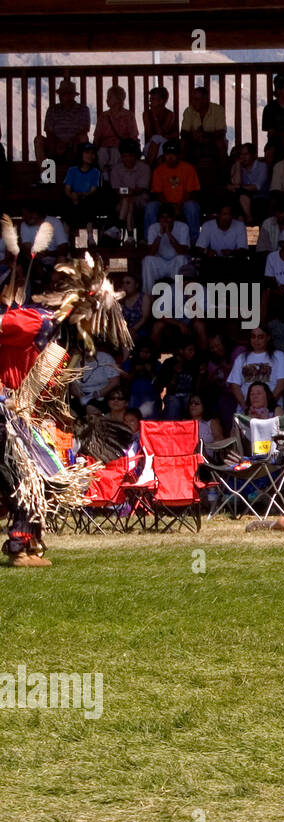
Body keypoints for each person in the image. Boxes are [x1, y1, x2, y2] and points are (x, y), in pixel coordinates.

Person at [1, 260, 130, 565]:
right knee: (27, 478)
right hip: (4, 413)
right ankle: (20, 543)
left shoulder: (61, 337)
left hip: (19, 417)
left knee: (45, 477)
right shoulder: (37, 321)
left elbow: (43, 391)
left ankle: (29, 542)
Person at [227, 325, 284, 413]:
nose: (256, 340)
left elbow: (282, 384)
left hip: (272, 411)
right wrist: (245, 406)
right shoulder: (241, 358)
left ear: (268, 338)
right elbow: (235, 386)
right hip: (246, 411)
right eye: (253, 336)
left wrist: (268, 405)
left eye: (260, 337)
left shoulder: (279, 356)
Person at [145, 139, 201, 240]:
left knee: (192, 206)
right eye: (167, 154)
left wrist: (179, 206)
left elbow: (190, 192)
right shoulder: (158, 171)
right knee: (151, 207)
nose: (170, 157)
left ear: (179, 155)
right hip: (164, 204)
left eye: (173, 155)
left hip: (183, 203)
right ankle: (150, 240)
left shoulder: (188, 168)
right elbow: (158, 193)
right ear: (164, 155)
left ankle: (194, 241)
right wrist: (169, 207)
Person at [35, 78, 90, 168]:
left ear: (73, 95)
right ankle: (47, 177)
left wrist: (69, 144)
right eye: (62, 94)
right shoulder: (52, 109)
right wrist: (58, 144)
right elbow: (49, 131)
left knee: (83, 139)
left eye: (67, 93)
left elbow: (84, 131)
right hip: (55, 145)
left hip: (74, 146)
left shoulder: (82, 110)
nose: (63, 96)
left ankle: (80, 176)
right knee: (39, 140)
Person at [107, 138, 150, 243]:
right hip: (122, 203)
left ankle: (118, 227)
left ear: (135, 156)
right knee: (128, 201)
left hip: (141, 201)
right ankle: (130, 237)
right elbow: (117, 190)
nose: (128, 159)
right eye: (125, 156)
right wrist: (129, 191)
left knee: (128, 200)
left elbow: (139, 190)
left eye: (130, 156)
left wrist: (126, 191)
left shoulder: (144, 168)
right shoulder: (116, 169)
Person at [61, 143, 107, 240]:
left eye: (92, 153)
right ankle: (65, 239)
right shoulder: (72, 171)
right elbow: (67, 189)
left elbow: (93, 190)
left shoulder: (96, 172)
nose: (90, 156)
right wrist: (72, 196)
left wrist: (81, 195)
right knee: (65, 204)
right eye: (87, 153)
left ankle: (90, 237)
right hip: (73, 200)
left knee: (90, 202)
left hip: (88, 199)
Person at [92, 84, 138, 173]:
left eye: (110, 97)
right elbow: (97, 137)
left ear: (118, 99)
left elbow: (133, 136)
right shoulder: (103, 116)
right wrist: (93, 151)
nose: (107, 100)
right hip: (104, 148)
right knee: (102, 154)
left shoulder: (128, 116)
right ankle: (106, 180)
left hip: (121, 149)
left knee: (116, 154)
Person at [179, 83, 227, 165]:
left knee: (220, 143)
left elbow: (221, 132)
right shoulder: (188, 111)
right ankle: (184, 170)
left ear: (205, 100)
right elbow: (183, 132)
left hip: (213, 141)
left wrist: (204, 135)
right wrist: (194, 136)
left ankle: (223, 170)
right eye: (193, 99)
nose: (193, 102)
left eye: (196, 99)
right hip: (193, 141)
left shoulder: (218, 110)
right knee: (182, 143)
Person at [229, 141, 271, 224]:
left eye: (246, 154)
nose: (243, 157)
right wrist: (237, 165)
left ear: (253, 155)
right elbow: (236, 183)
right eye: (241, 154)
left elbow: (256, 187)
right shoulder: (237, 166)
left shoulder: (262, 166)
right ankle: (248, 219)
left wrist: (239, 188)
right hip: (242, 196)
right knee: (236, 198)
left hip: (260, 196)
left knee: (242, 195)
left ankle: (248, 218)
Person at [141, 86, 178, 166]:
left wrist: (155, 117)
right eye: (150, 99)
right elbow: (149, 133)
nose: (150, 101)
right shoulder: (146, 114)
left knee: (159, 142)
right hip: (151, 144)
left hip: (167, 143)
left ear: (161, 101)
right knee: (157, 141)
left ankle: (149, 167)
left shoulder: (169, 114)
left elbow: (161, 132)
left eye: (153, 99)